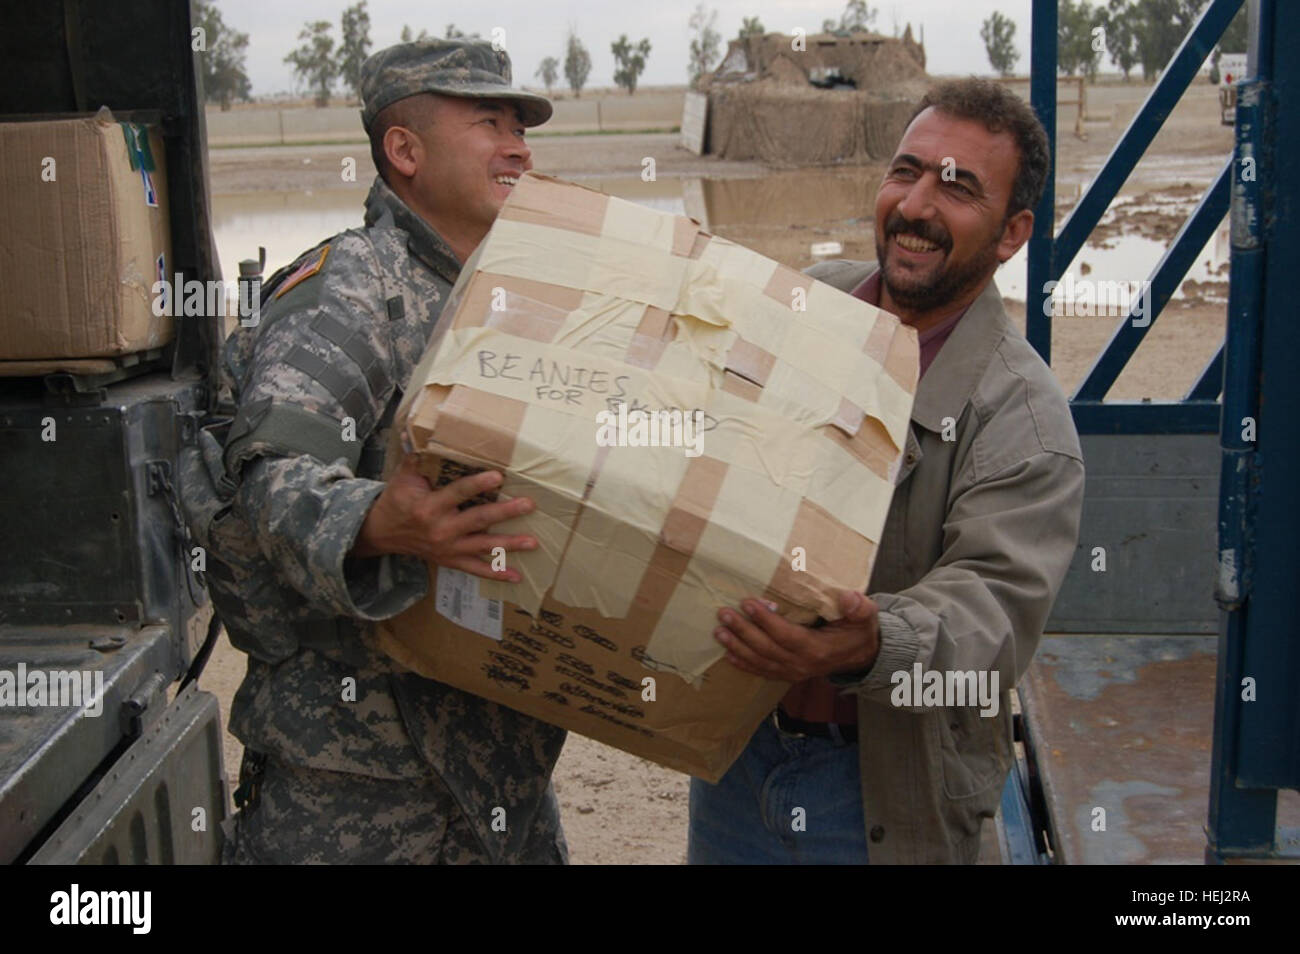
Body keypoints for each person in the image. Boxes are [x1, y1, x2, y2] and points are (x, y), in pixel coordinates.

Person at [690, 78, 1086, 864]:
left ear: (1012, 234)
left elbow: (990, 615)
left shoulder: (1025, 421)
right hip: (738, 757)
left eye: (959, 187)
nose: (916, 206)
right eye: (906, 171)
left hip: (879, 788)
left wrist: (872, 644)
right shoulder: (810, 306)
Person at [210, 39, 567, 864]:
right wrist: (377, 521)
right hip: (359, 791)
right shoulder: (353, 286)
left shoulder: (507, 291)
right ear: (404, 151)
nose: (518, 145)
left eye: (522, 125)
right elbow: (269, 477)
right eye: (489, 122)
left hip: (496, 770)